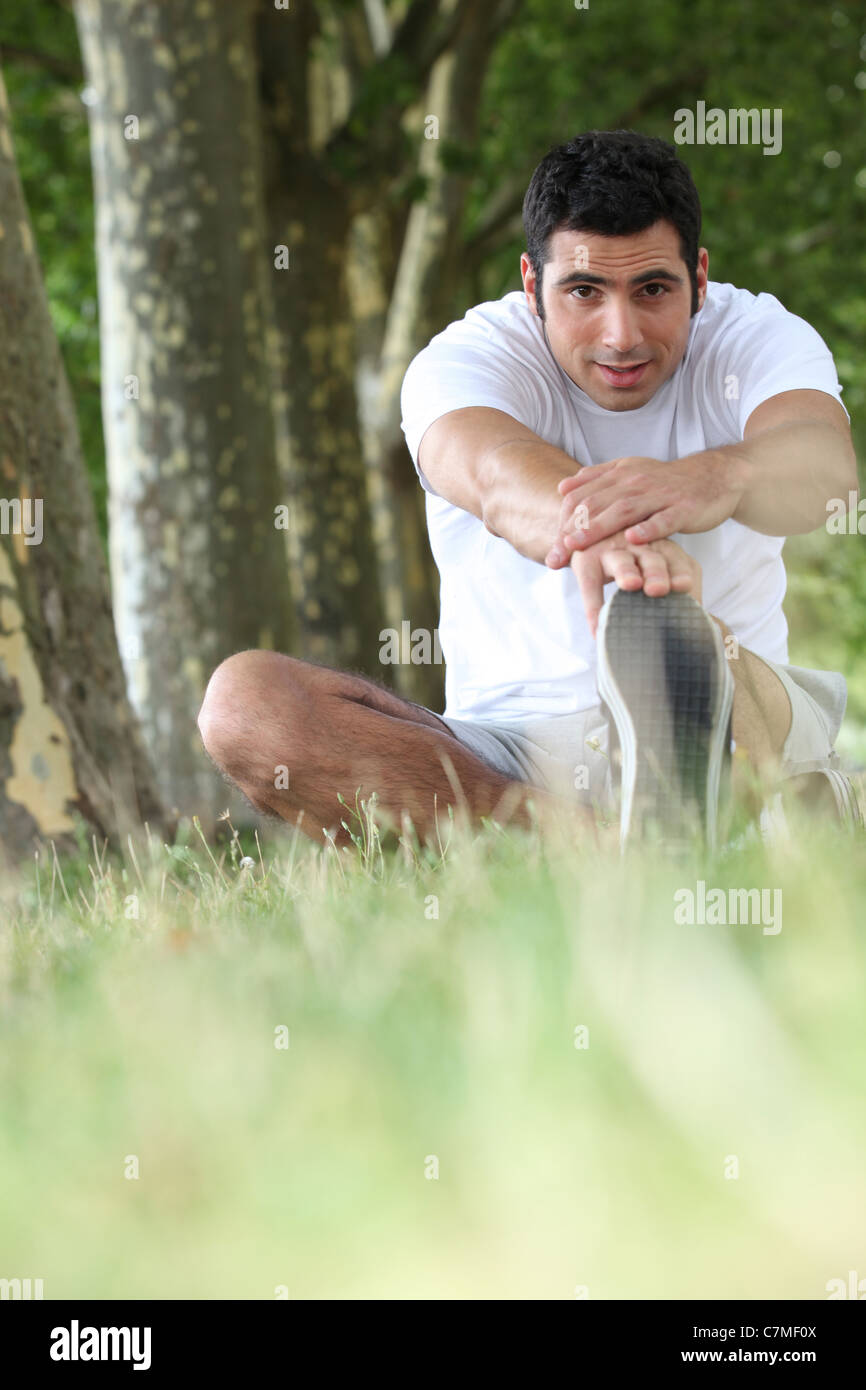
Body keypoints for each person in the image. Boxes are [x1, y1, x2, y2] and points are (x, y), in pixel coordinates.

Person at [198, 129, 860, 849]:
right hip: (509, 755)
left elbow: (824, 470)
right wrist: (609, 538)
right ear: (530, 283)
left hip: (738, 715)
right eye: (583, 291)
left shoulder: (758, 334)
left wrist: (718, 476)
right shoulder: (466, 358)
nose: (621, 335)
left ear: (698, 277)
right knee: (244, 704)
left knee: (706, 658)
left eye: (653, 290)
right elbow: (493, 470)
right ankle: (595, 847)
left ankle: (751, 796)